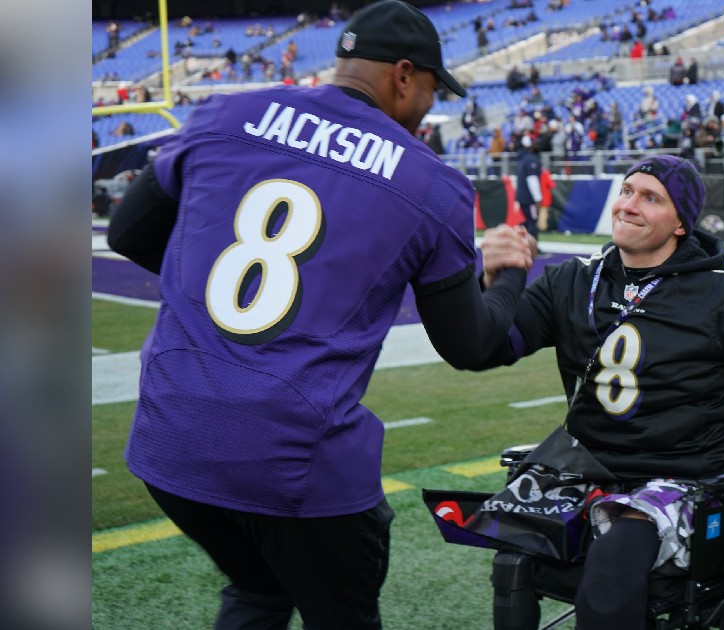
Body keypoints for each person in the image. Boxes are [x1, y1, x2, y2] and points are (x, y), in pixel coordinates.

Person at [105, 2, 534, 627]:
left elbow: (128, 234)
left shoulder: (230, 111)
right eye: (431, 90)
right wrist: (510, 275)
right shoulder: (428, 182)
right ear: (403, 75)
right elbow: (470, 345)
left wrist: (202, 295)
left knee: (256, 591)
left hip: (169, 438)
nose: (427, 108)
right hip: (292, 457)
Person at [473, 154, 724, 628]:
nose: (629, 205)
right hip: (589, 467)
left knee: (614, 561)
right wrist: (492, 280)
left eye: (651, 198)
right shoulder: (573, 281)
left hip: (684, 480)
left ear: (681, 223)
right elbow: (488, 346)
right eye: (626, 191)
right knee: (512, 551)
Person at [516, 135, 549, 257]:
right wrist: (537, 198)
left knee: (527, 221)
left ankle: (520, 243)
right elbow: (532, 180)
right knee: (532, 222)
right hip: (529, 198)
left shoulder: (522, 159)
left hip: (522, 196)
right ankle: (532, 248)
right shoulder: (531, 160)